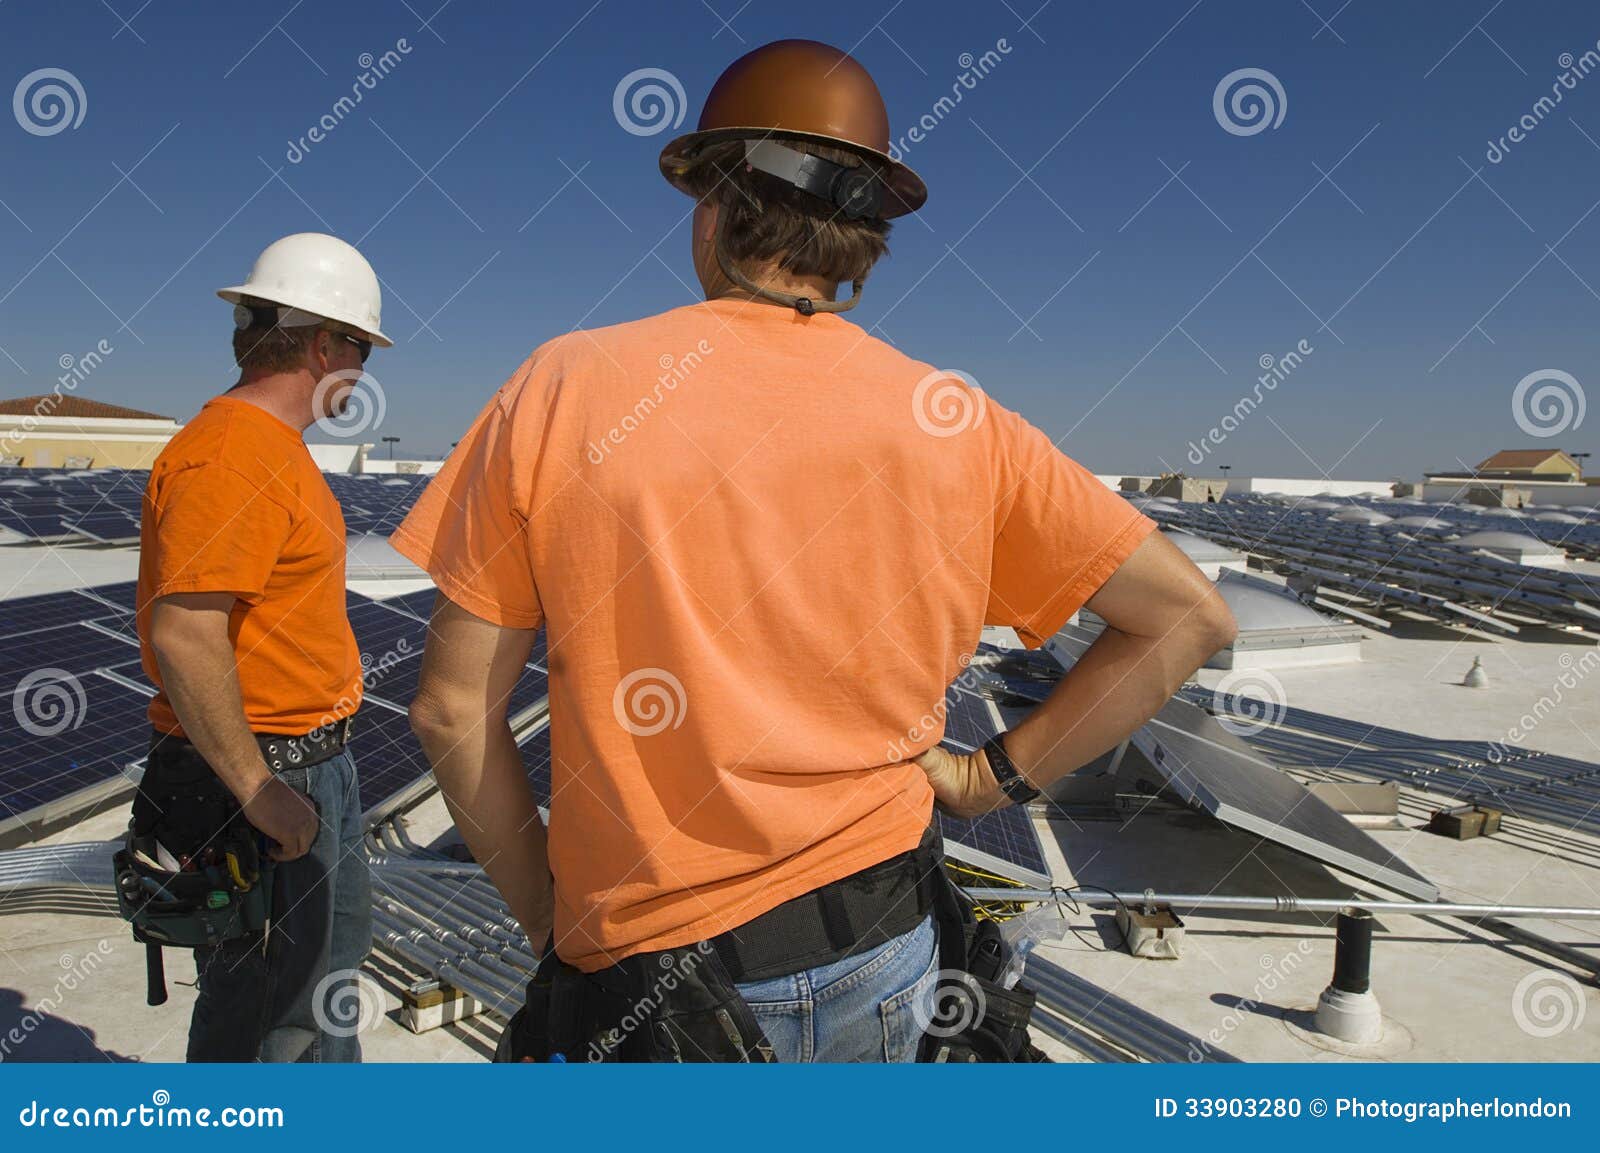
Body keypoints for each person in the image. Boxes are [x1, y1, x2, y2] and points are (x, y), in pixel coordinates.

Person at [396, 39, 1235, 1062]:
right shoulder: (955, 418)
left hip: (649, 975)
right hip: (883, 949)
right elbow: (1186, 618)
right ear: (865, 239)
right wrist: (983, 782)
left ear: (714, 205)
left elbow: (449, 707)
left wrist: (552, 918)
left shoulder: (567, 385)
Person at [134, 232, 390, 1062]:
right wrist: (257, 788)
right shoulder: (233, 455)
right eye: (361, 348)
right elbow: (185, 629)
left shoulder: (272, 453)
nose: (364, 369)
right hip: (266, 774)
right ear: (324, 345)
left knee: (317, 992)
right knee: (266, 1016)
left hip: (304, 766)